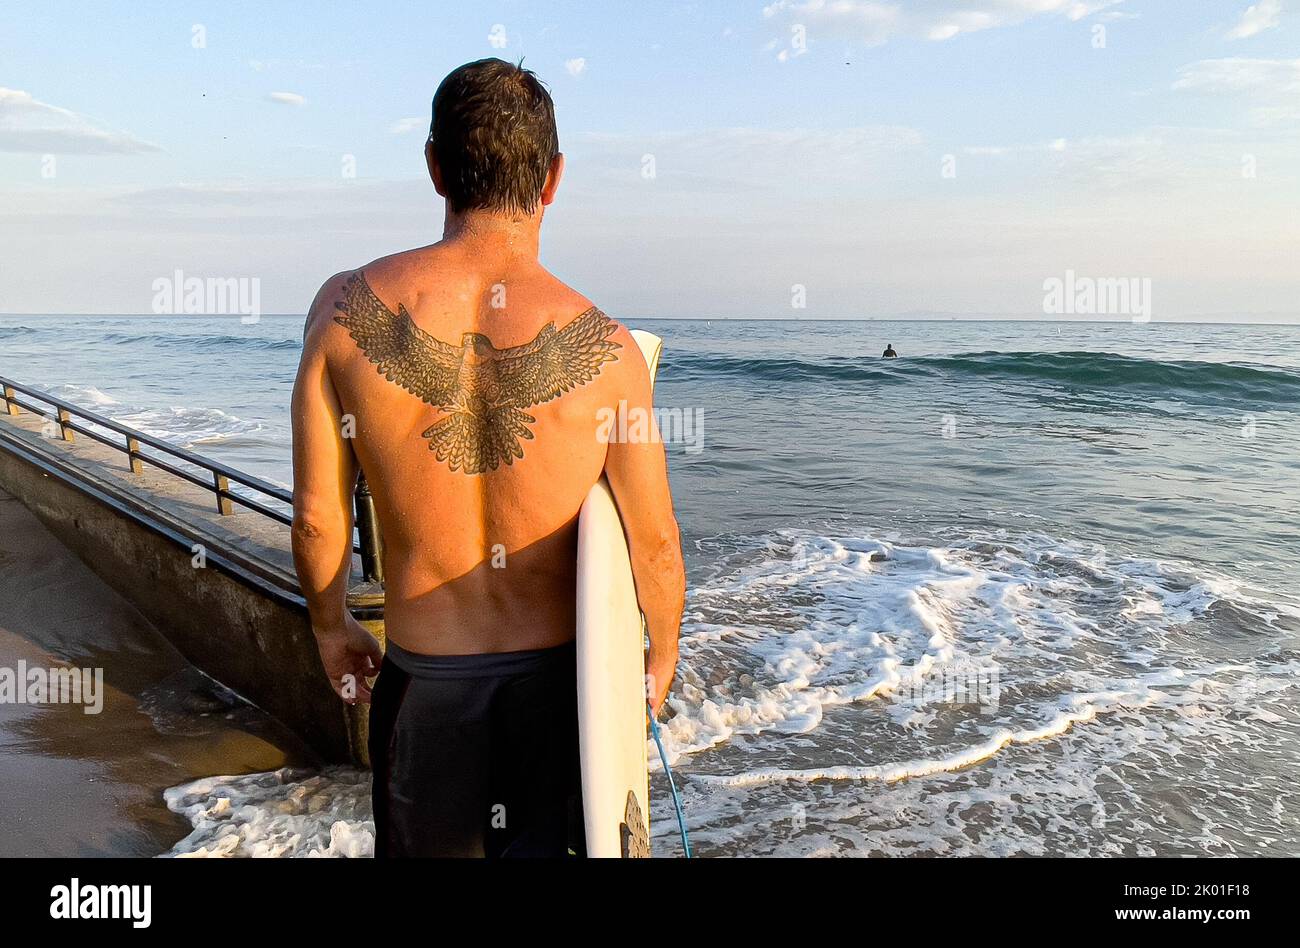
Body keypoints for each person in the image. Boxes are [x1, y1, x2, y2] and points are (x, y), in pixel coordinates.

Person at [290, 58, 686, 858]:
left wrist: (331, 626)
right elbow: (654, 545)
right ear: (554, 179)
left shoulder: (342, 312)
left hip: (426, 685)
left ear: (435, 168)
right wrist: (659, 655)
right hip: (557, 697)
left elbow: (315, 515)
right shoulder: (609, 351)